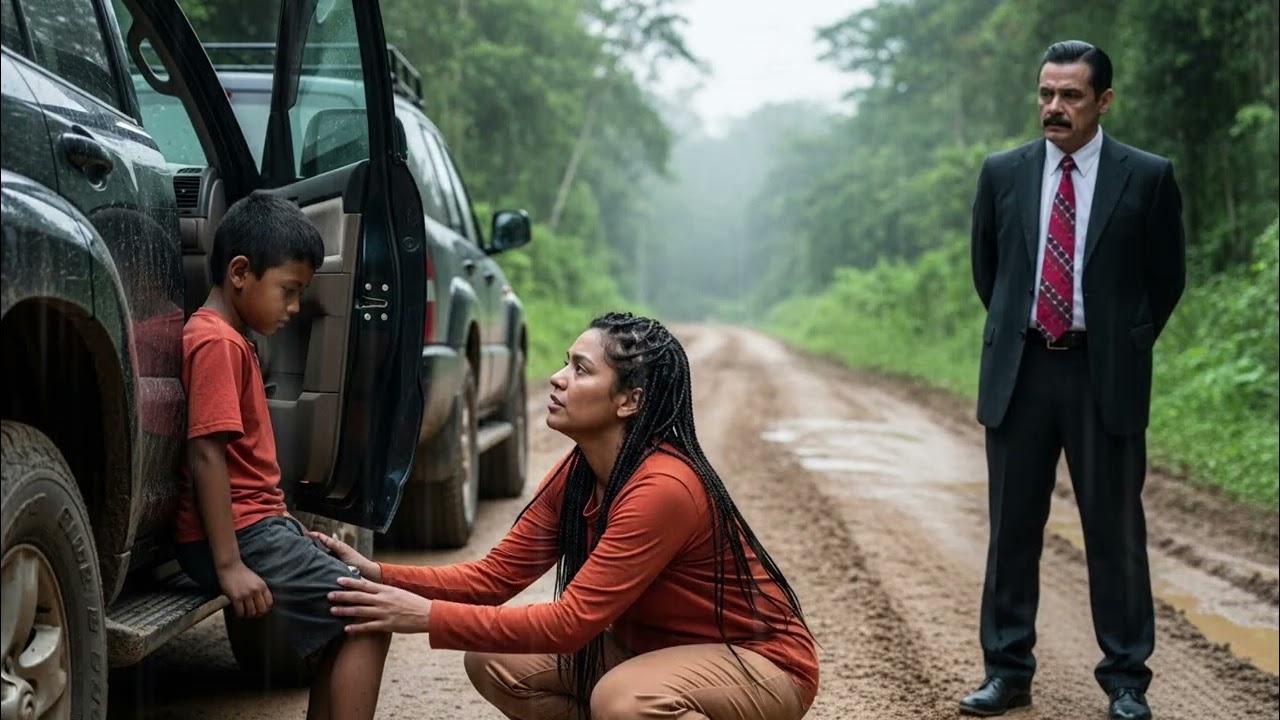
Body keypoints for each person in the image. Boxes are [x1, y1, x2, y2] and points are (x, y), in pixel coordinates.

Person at [315, 312, 820, 720]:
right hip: (649, 652)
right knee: (493, 660)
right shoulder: (579, 471)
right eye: (565, 363)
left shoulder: (664, 487)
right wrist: (376, 574)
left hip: (757, 662)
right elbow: (494, 578)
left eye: (581, 369)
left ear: (629, 400)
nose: (557, 378)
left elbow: (570, 624)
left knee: (624, 702)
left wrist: (424, 616)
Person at [965, 40, 1186, 720]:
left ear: (1104, 101)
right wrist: (1019, 331)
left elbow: (1165, 277)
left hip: (1103, 373)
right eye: (1045, 94)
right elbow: (989, 269)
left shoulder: (1146, 177)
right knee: (1012, 531)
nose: (1053, 108)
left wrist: (1127, 341)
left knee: (1114, 531)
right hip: (1022, 369)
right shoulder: (1003, 173)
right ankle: (1007, 671)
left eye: (1070, 96)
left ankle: (1125, 680)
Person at [174, 191, 391, 720]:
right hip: (237, 536)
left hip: (255, 527)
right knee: (371, 615)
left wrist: (285, 526)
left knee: (354, 618)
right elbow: (206, 455)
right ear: (241, 272)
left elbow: (246, 469)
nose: (295, 309)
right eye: (289, 292)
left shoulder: (226, 338)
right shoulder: (216, 343)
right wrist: (229, 565)